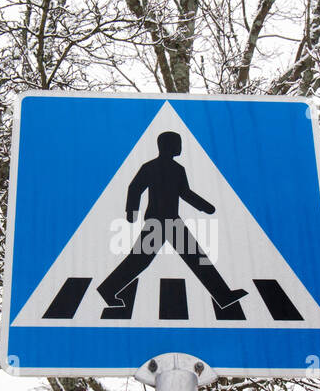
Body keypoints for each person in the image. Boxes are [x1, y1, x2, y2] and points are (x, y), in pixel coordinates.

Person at [97, 131, 247, 310]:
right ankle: (107, 289)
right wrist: (131, 212)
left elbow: (185, 193)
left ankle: (223, 295)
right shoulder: (150, 167)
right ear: (168, 146)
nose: (180, 147)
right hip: (157, 222)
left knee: (196, 257)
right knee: (140, 260)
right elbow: (135, 187)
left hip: (171, 220)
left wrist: (205, 206)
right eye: (178, 144)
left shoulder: (177, 169)